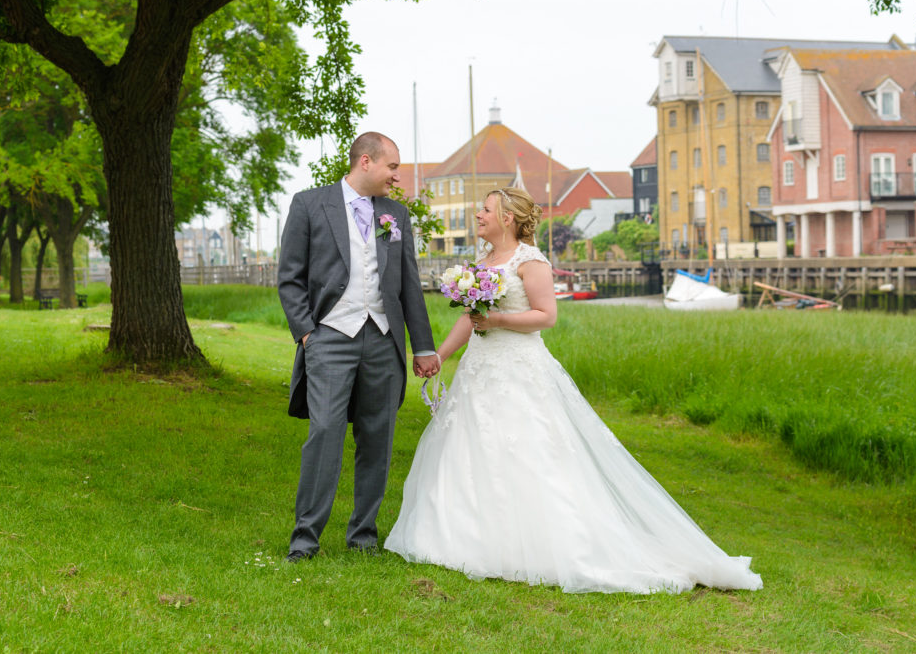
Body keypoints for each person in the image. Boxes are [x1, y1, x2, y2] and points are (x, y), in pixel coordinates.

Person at [384, 187, 763, 594]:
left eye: (485, 209)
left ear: (507, 218)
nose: (478, 214)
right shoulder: (483, 261)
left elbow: (547, 316)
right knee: (469, 445)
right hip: (480, 368)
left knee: (529, 452)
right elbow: (471, 318)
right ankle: (462, 535)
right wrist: (440, 354)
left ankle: (541, 543)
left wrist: (498, 323)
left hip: (518, 369)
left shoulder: (530, 260)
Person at [278, 132, 441, 563]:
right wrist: (307, 332)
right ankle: (305, 539)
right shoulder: (309, 204)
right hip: (330, 335)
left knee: (378, 438)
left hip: (383, 338)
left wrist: (421, 347)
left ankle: (364, 536)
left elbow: (409, 285)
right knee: (325, 433)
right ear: (365, 162)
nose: (396, 177)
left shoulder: (397, 216)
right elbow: (290, 277)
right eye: (392, 167)